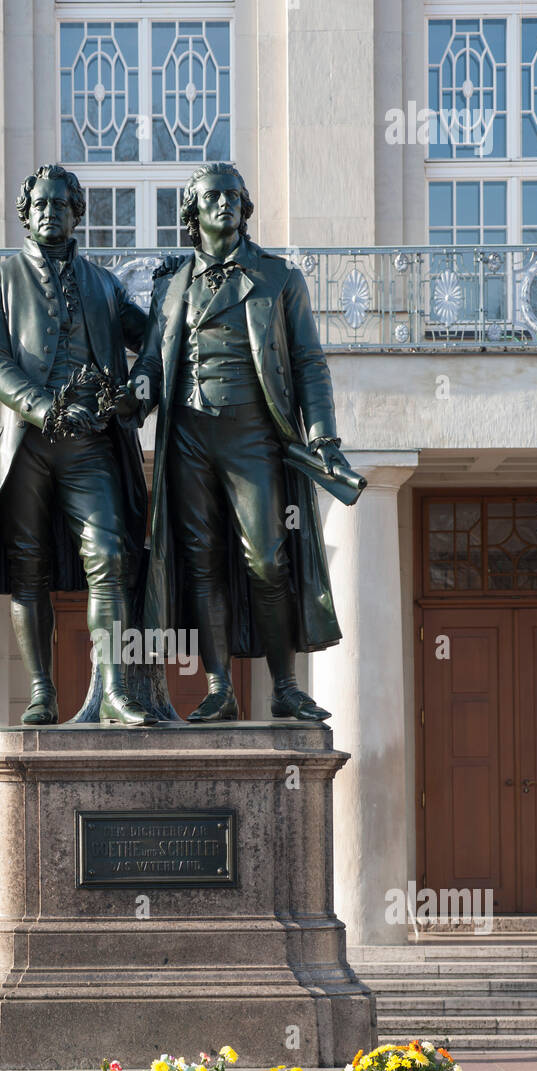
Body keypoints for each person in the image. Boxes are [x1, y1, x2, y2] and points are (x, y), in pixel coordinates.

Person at [118, 161, 356, 722]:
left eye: (233, 197)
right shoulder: (170, 286)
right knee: (201, 562)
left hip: (253, 432)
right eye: (213, 197)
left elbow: (308, 363)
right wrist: (139, 389)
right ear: (193, 211)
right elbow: (153, 359)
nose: (225, 204)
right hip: (189, 436)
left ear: (245, 209)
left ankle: (284, 685)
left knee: (268, 559)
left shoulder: (279, 278)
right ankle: (219, 685)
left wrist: (321, 431)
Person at [0, 163, 154, 726]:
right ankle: (42, 691)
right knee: (29, 568)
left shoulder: (104, 284)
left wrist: (136, 394)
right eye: (41, 205)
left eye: (61, 204)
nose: (51, 213)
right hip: (24, 441)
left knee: (111, 555)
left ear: (78, 213)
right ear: (26, 214)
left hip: (91, 442)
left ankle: (116, 692)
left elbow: (154, 339)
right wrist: (43, 406)